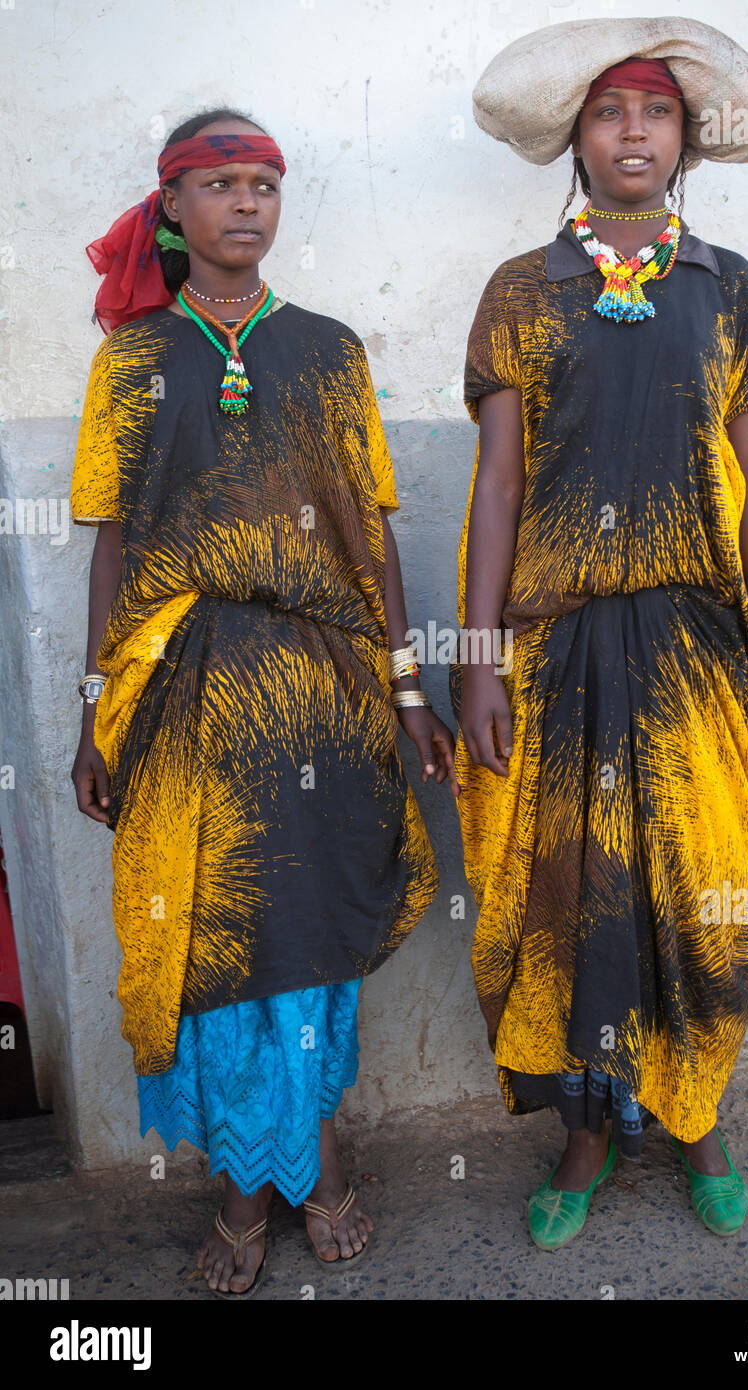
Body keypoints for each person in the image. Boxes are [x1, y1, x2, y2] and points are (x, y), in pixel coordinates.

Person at [70, 108, 458, 1295]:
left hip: (320, 694)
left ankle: (322, 1162)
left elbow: (373, 535)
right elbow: (115, 540)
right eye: (221, 185)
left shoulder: (329, 349)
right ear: (173, 208)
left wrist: (406, 689)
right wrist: (95, 708)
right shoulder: (132, 358)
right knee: (208, 943)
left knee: (307, 939)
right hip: (183, 692)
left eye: (265, 187)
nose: (246, 205)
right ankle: (243, 1187)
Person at [450, 16, 748, 1250]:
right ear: (576, 143)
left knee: (702, 891)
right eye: (609, 113)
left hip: (696, 647)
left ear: (684, 138)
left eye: (655, 111)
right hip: (555, 651)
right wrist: (476, 659)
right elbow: (494, 488)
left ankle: (697, 1114)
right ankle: (586, 1134)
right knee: (575, 901)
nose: (633, 130)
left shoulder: (728, 285)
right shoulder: (522, 292)